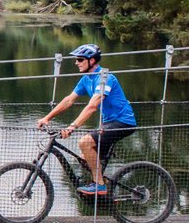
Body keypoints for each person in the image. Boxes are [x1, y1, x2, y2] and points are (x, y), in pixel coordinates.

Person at [36, 42, 136, 196]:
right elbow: (69, 100)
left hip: (123, 122)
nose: (76, 63)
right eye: (76, 59)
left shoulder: (106, 78)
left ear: (92, 61)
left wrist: (72, 127)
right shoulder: (86, 79)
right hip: (108, 122)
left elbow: (92, 106)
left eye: (80, 59)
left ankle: (99, 185)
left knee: (85, 142)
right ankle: (104, 183)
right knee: (84, 158)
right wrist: (47, 117)